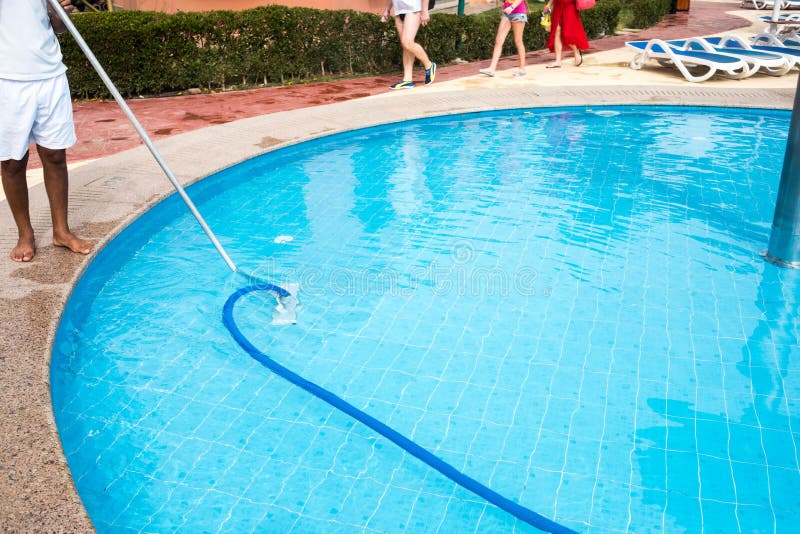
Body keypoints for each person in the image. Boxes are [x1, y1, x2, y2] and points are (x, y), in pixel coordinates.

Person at [0, 0, 93, 262]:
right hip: (7, 79)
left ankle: (61, 231)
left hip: (50, 75)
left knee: (55, 155)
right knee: (11, 162)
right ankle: (25, 235)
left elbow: (60, 26)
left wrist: (60, 11)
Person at [381, 0, 437, 90]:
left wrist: (425, 11)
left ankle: (429, 65)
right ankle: (407, 80)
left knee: (407, 42)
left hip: (413, 8)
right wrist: (387, 9)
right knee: (405, 45)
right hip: (399, 10)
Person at [479, 1, 528, 78]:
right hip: (507, 13)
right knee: (498, 40)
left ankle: (522, 69)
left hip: (518, 13)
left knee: (518, 41)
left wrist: (511, 7)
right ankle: (492, 69)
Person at [543, 0, 589, 68]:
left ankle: (576, 51)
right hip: (558, 6)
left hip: (569, 6)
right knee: (556, 30)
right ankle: (558, 61)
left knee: (567, 32)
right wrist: (549, 4)